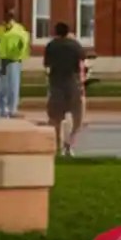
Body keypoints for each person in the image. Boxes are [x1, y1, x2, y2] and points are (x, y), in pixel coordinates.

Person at [43, 22, 87, 155]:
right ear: (68, 32)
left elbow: (47, 66)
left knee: (55, 118)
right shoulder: (75, 46)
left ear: (56, 32)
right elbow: (81, 66)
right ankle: (70, 142)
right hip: (72, 83)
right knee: (78, 117)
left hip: (56, 83)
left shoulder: (51, 46)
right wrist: (82, 83)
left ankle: (58, 145)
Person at [0, 9, 31, 118]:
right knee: (1, 85)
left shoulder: (19, 29)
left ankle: (12, 108)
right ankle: (1, 108)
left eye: (10, 17)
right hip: (2, 60)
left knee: (13, 85)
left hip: (13, 60)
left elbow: (24, 44)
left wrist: (19, 54)